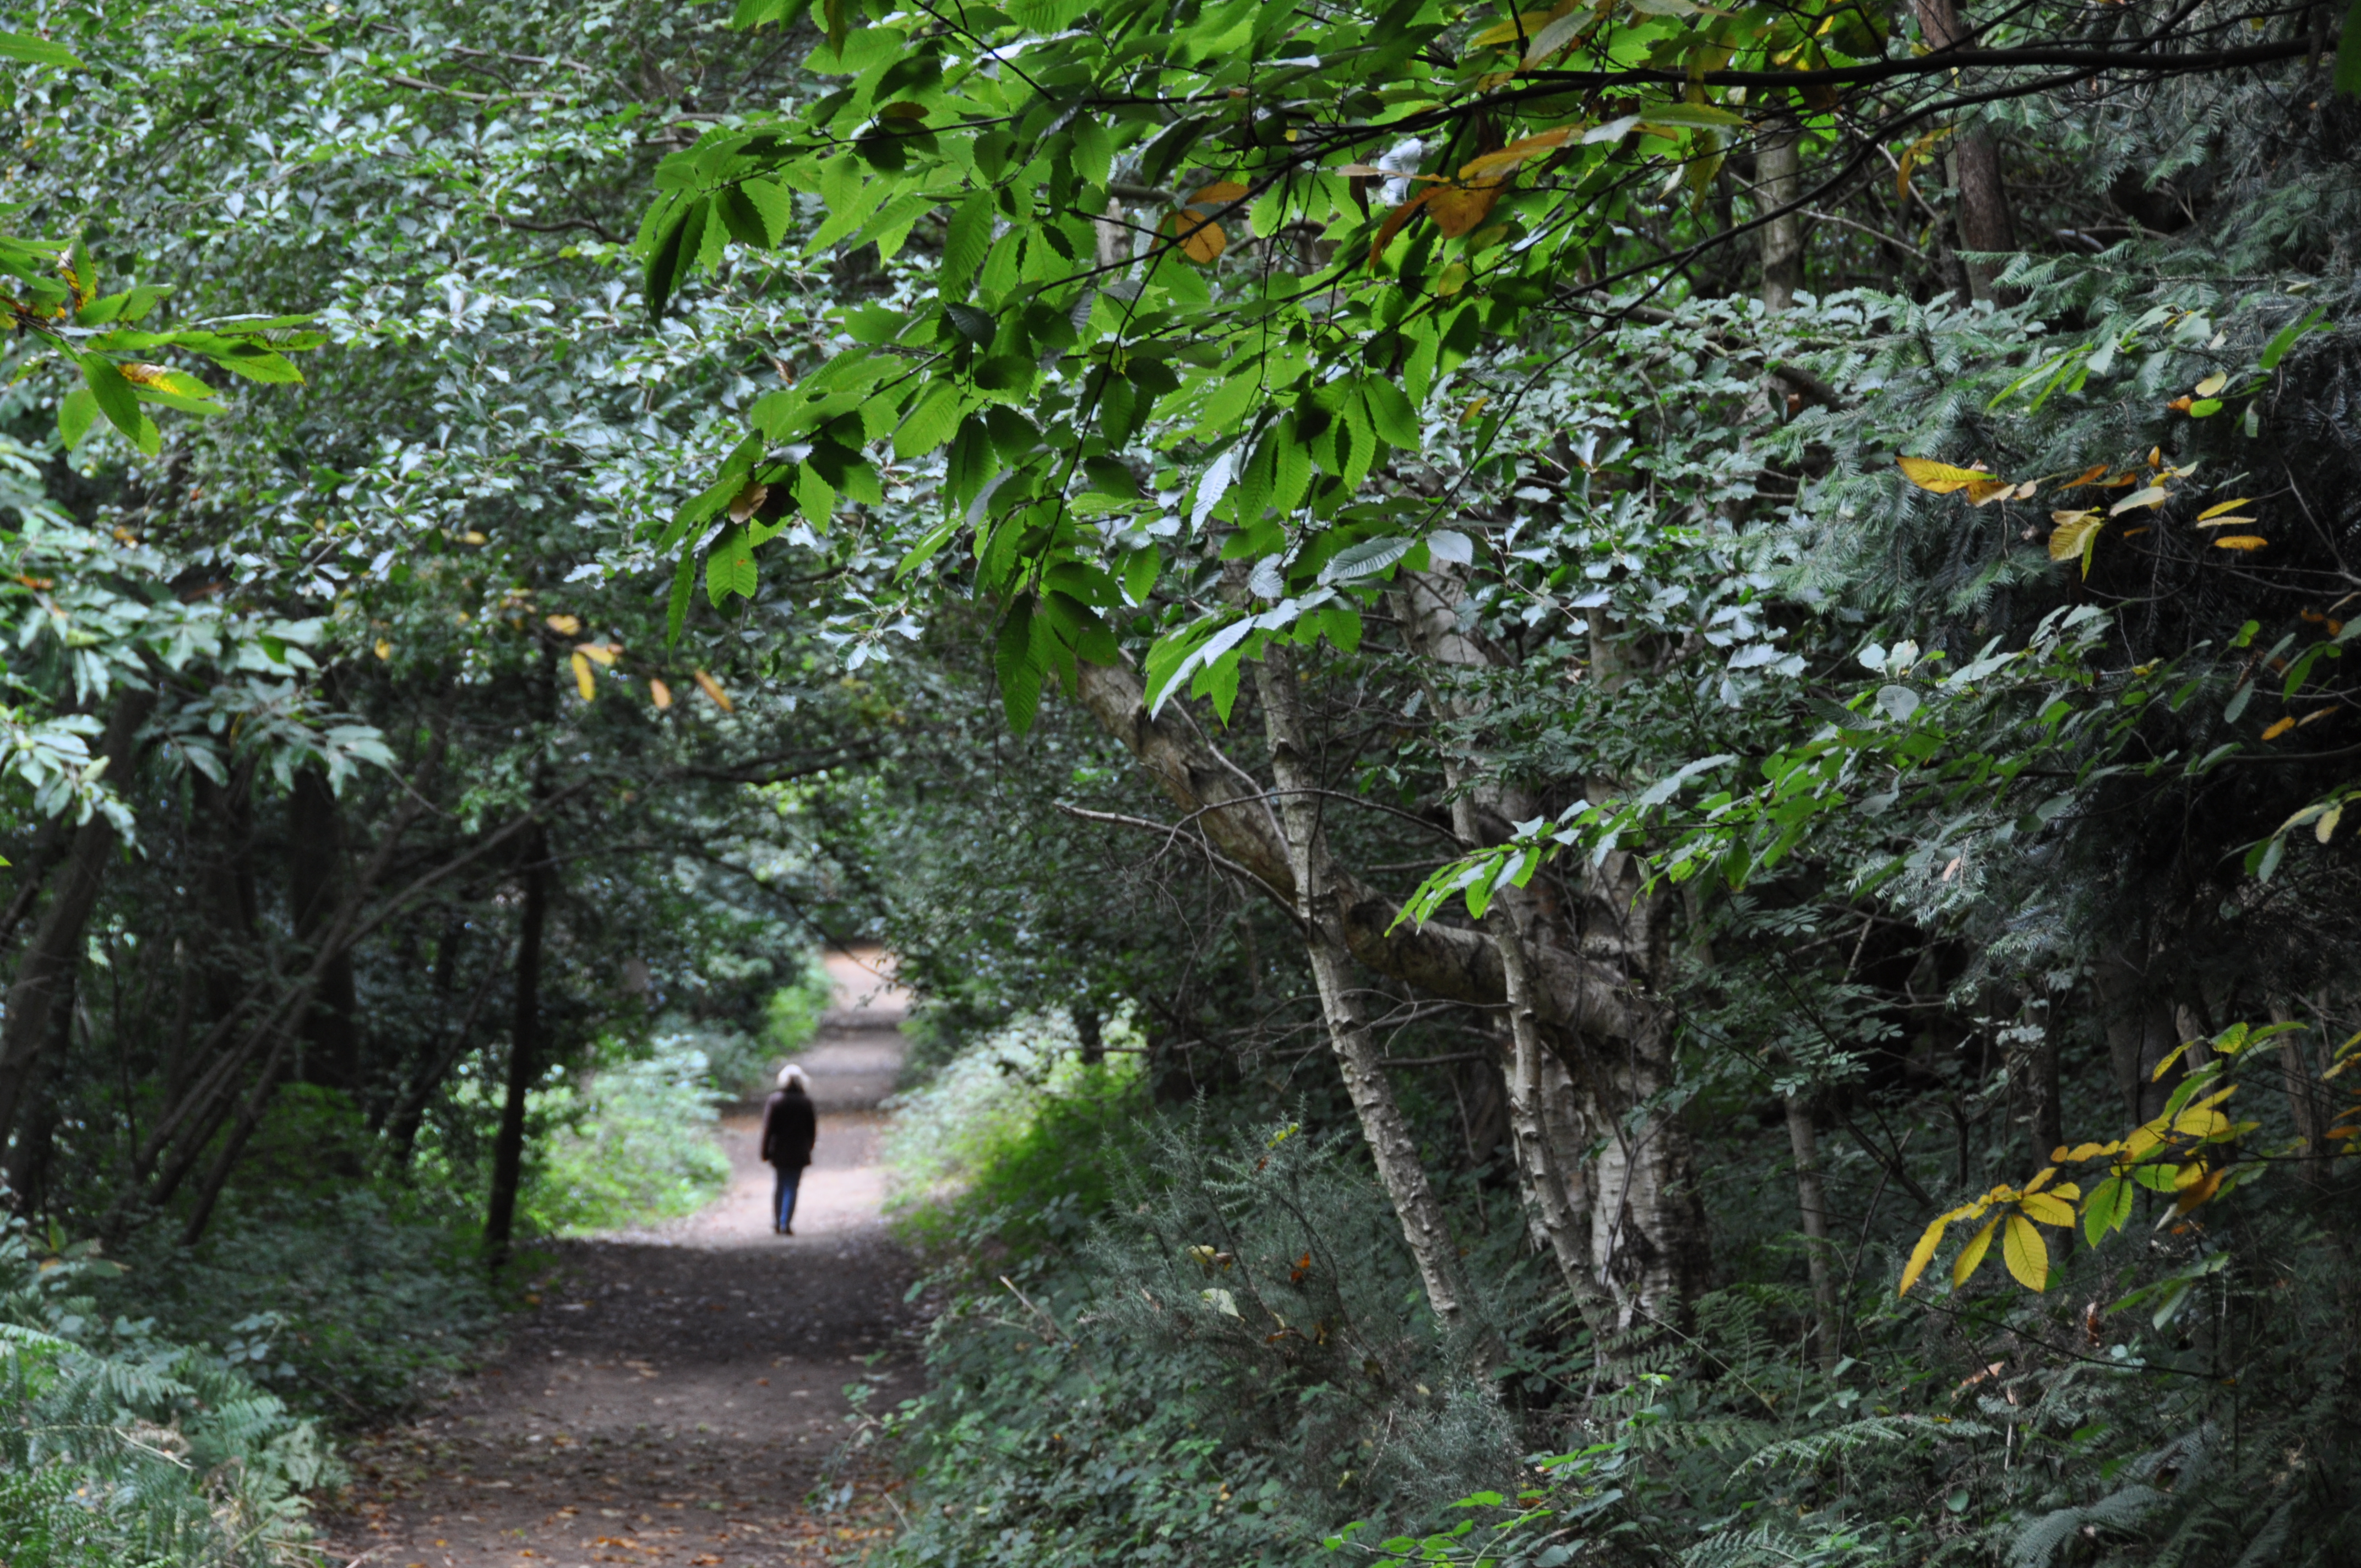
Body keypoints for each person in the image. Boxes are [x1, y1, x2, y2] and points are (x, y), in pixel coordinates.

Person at [759, 1064, 816, 1235]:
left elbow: (768, 1129)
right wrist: (809, 1147)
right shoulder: (806, 1102)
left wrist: (765, 1151)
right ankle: (787, 1223)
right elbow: (812, 1130)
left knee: (780, 1185)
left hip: (780, 1151)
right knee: (793, 1186)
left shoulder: (775, 1100)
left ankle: (777, 1222)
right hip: (799, 1151)